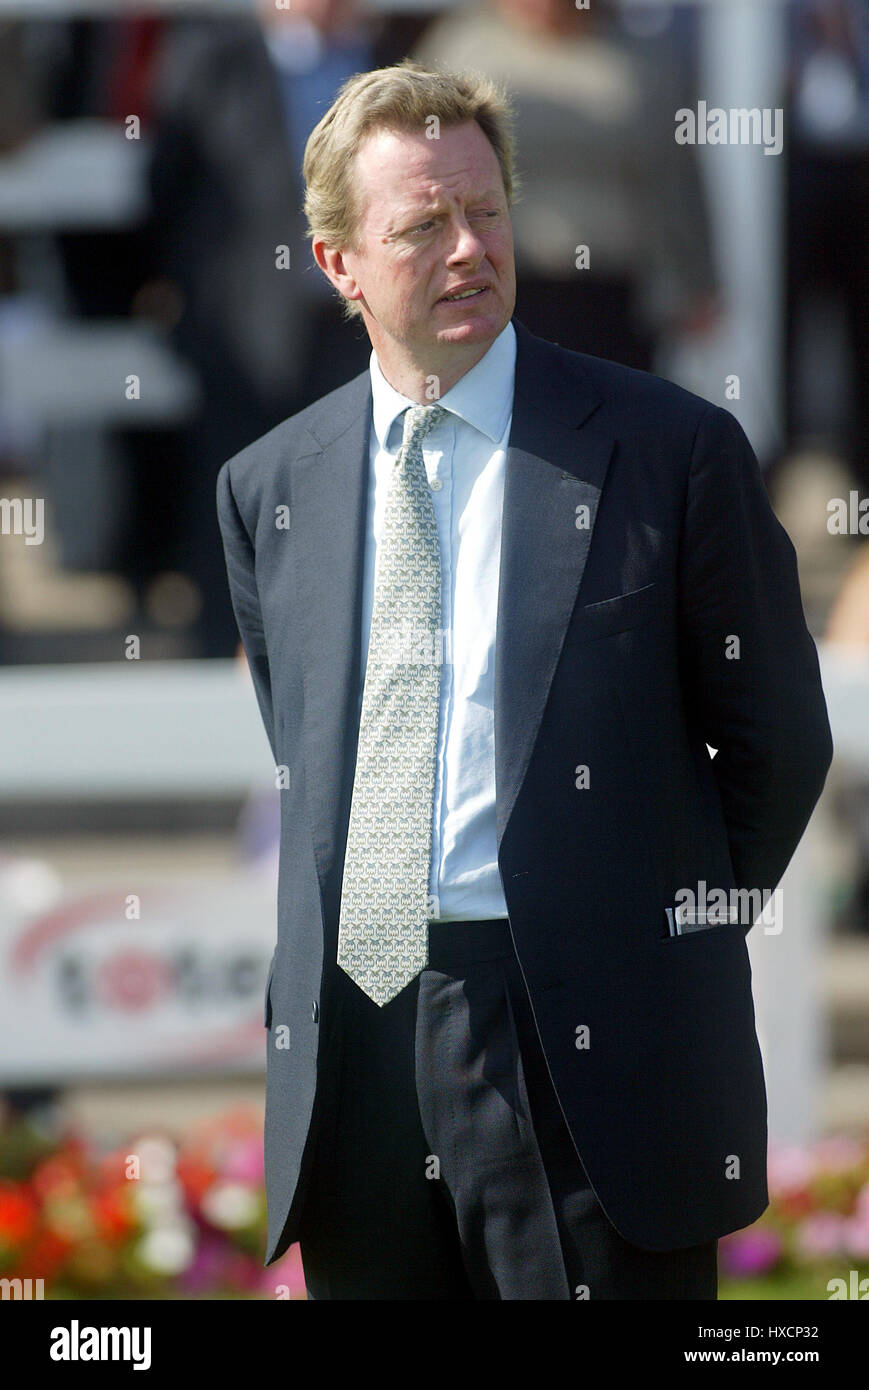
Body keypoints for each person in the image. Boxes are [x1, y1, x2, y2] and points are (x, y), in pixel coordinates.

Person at [216, 61, 834, 1300]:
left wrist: (648, 932)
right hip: (362, 1057)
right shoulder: (269, 486)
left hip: (595, 1056)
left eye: (484, 211)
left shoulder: (671, 451)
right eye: (420, 225)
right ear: (337, 263)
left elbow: (777, 744)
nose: (467, 249)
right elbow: (309, 745)